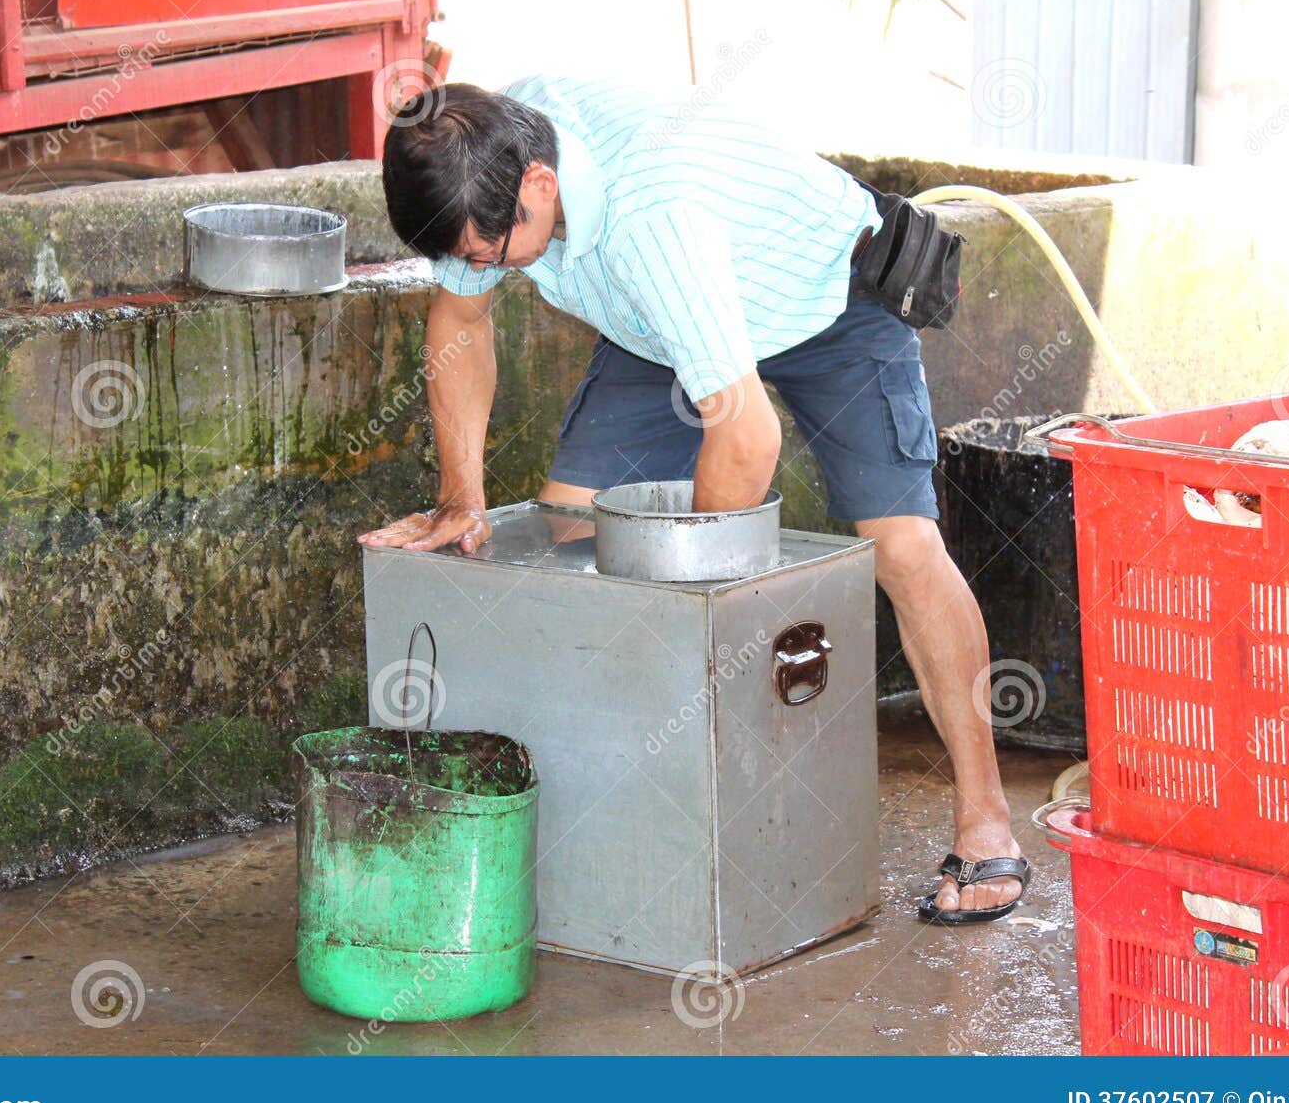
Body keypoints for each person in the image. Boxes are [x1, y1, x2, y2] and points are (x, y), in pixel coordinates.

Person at [358, 74, 1030, 922]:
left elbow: (747, 438)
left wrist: (687, 605)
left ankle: (987, 821)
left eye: (492, 252)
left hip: (822, 297)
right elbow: (460, 323)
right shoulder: (483, 143)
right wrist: (463, 496)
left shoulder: (649, 219)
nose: (481, 271)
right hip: (665, 318)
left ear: (540, 184)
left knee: (900, 547)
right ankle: (606, 822)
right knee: (572, 532)